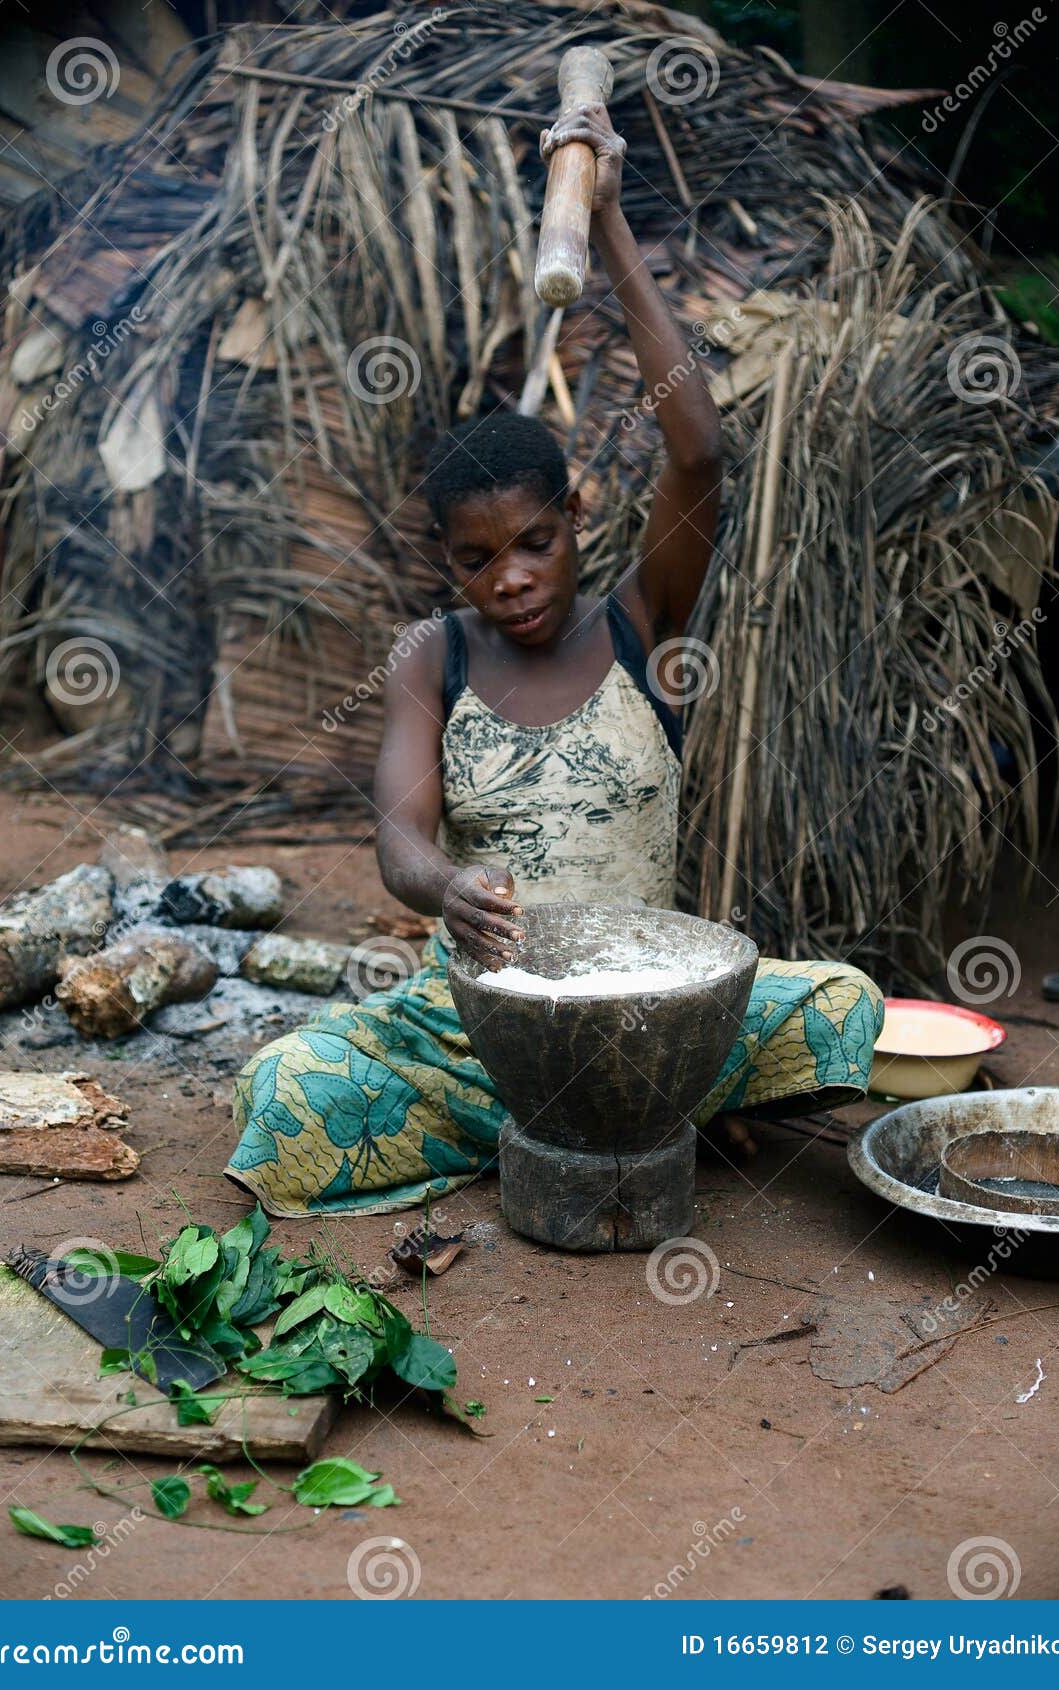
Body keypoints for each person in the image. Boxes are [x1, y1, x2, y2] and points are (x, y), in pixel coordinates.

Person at [226, 102, 882, 1217]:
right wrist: (446, 887)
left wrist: (612, 221)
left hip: (647, 1015)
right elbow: (396, 837)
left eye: (535, 543)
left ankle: (612, 1109)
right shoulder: (432, 658)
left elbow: (703, 449)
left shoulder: (641, 623)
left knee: (840, 1006)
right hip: (480, 1020)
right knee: (283, 1093)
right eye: (480, 559)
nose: (514, 578)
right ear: (448, 561)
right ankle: (577, 1120)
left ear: (576, 520)